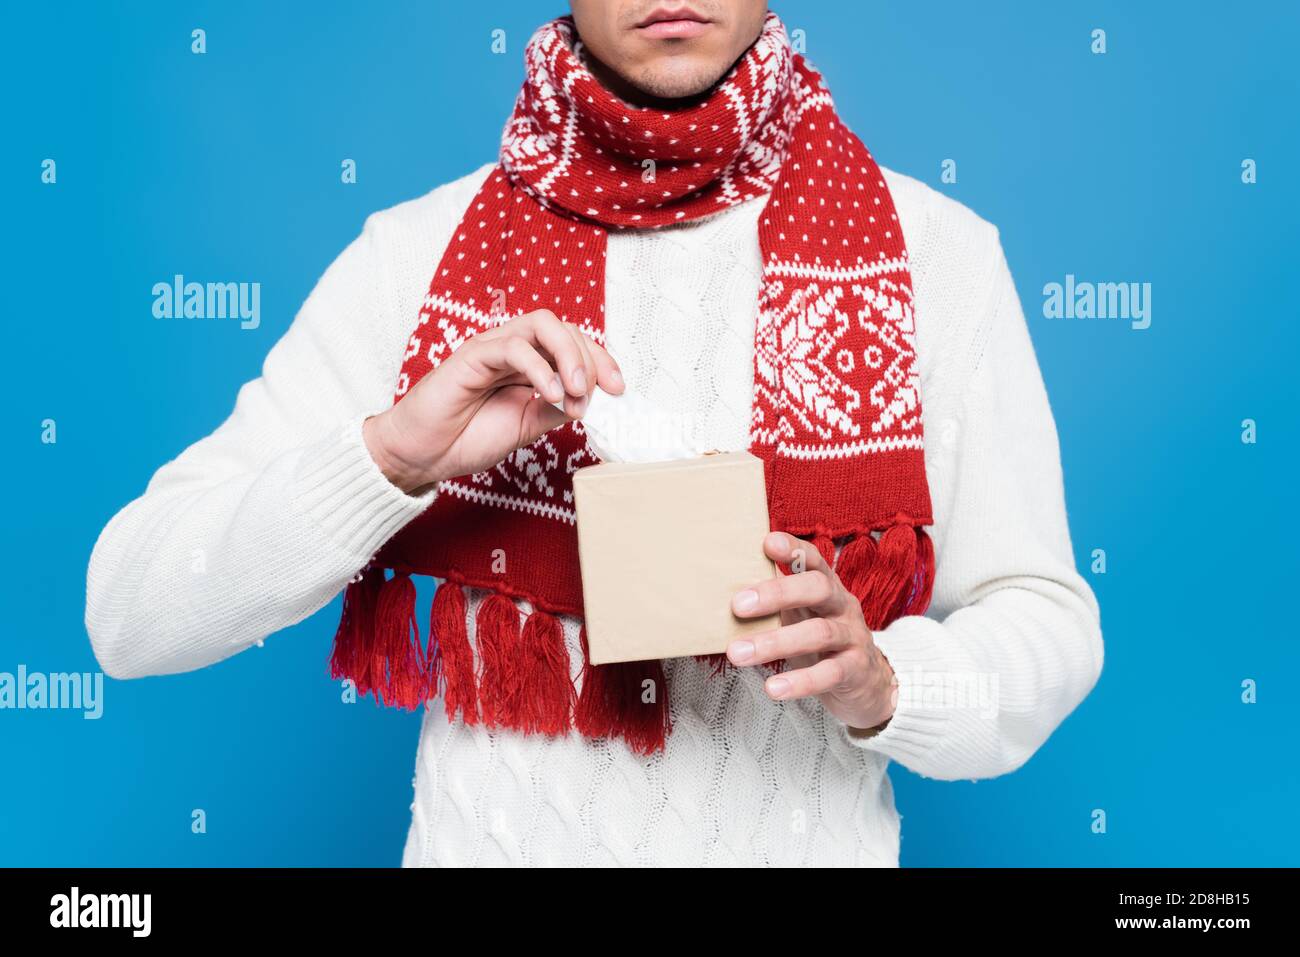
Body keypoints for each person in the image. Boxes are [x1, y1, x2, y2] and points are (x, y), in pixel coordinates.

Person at [86, 0, 1103, 867]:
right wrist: (389, 457)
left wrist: (887, 682)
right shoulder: (417, 258)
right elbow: (128, 615)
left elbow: (1047, 621)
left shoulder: (936, 256)